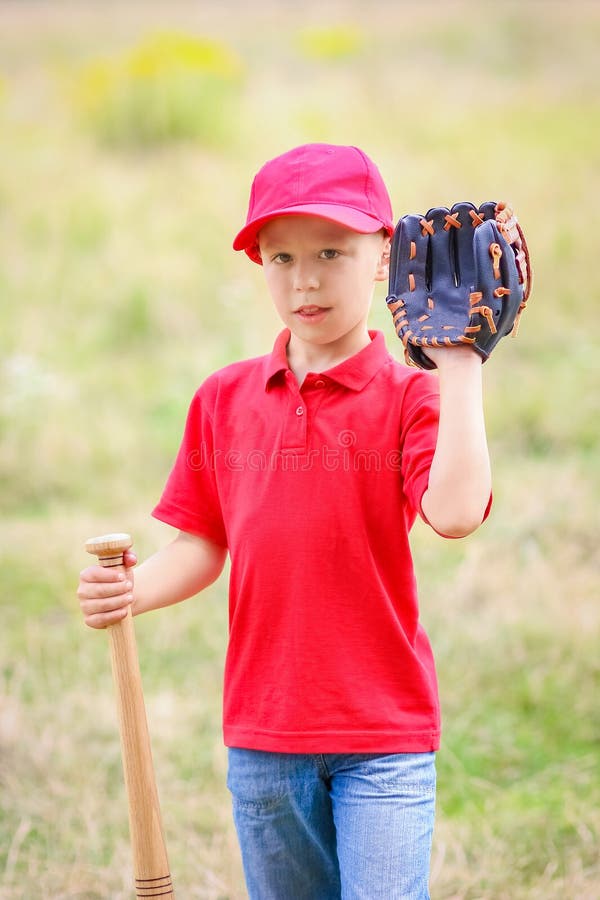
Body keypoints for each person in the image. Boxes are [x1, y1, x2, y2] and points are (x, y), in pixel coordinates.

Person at [77, 143, 492, 899]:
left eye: (332, 251)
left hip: (383, 733)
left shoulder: (411, 397)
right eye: (281, 257)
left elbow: (457, 513)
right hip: (265, 734)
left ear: (383, 256)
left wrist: (457, 367)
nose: (305, 279)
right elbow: (203, 542)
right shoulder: (224, 400)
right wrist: (134, 592)